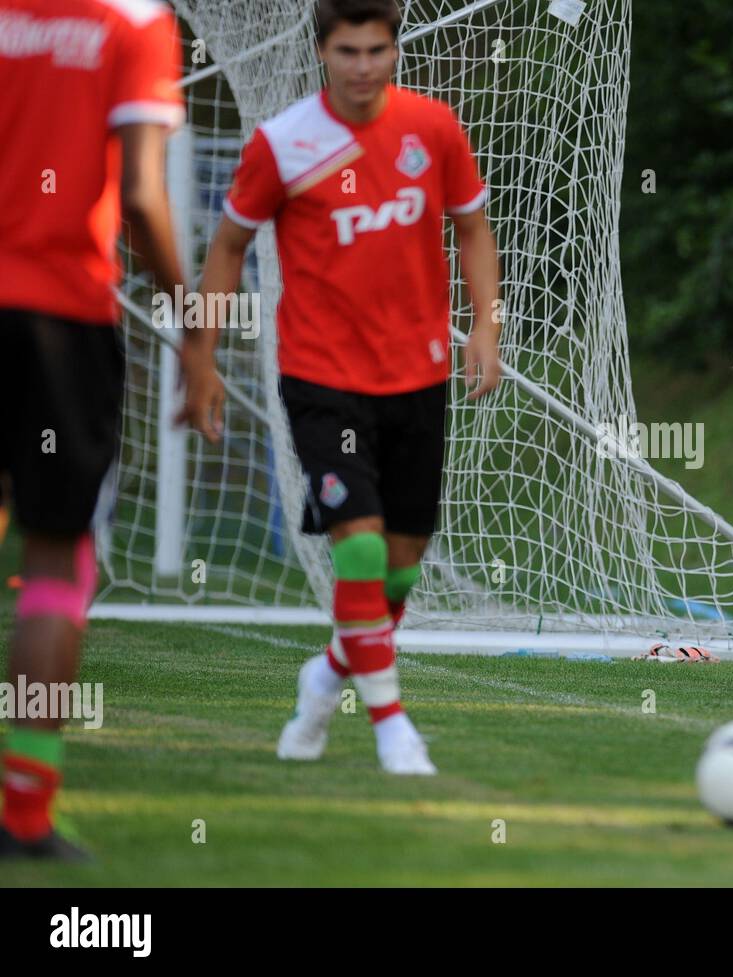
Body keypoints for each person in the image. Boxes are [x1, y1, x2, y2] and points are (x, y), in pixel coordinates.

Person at [184, 0, 501, 775]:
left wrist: (486, 325)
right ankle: (392, 724)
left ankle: (328, 672)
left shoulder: (434, 128)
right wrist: (202, 355)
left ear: (395, 51)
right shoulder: (282, 142)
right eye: (348, 51)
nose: (364, 67)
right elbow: (227, 247)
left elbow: (473, 227)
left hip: (419, 375)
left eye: (377, 51)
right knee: (357, 549)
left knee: (400, 563)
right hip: (323, 379)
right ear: (322, 51)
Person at [0, 0, 187, 858]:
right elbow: (145, 194)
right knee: (53, 560)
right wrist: (195, 318)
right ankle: (24, 811)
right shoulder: (135, 21)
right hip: (58, 318)